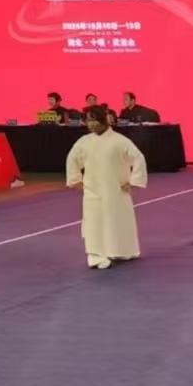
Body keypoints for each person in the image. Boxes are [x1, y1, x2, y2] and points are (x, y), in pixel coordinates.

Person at [65, 106, 148, 270]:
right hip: (92, 190)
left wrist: (132, 181)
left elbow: (138, 158)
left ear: (103, 119)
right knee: (93, 222)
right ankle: (95, 256)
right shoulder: (84, 142)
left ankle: (122, 250)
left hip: (116, 190)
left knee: (118, 221)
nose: (91, 124)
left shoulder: (120, 141)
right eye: (88, 121)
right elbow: (72, 159)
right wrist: (76, 180)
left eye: (94, 120)